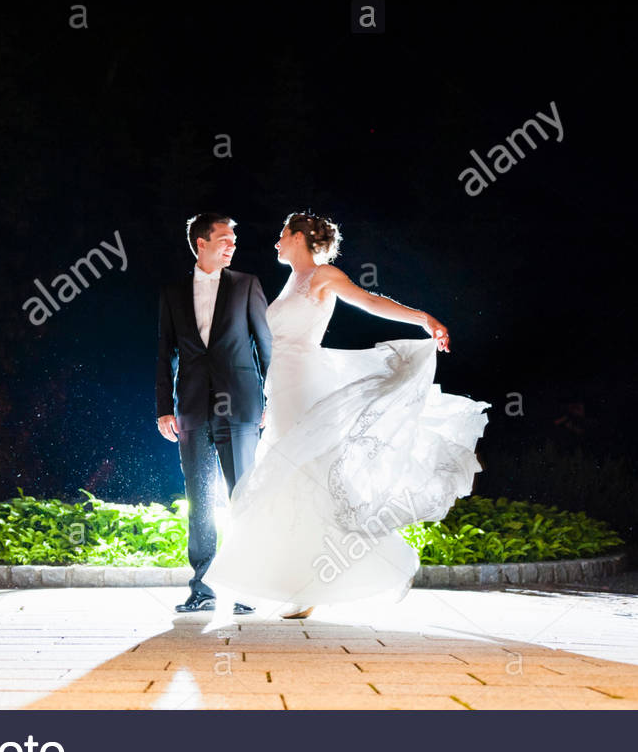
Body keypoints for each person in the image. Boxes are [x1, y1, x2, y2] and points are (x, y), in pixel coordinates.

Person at [205, 212, 490, 618]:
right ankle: (300, 580)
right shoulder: (290, 281)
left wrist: (423, 319)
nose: (276, 243)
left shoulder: (324, 276)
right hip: (283, 389)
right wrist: (269, 398)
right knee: (289, 479)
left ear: (300, 237)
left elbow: (370, 302)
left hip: (305, 385)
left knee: (308, 474)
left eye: (282, 235)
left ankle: (320, 583)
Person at [156, 213, 273, 614]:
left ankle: (246, 588)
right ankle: (201, 588)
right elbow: (165, 353)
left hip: (240, 406)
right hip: (190, 409)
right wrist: (162, 409)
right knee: (199, 499)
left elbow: (265, 346)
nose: (232, 245)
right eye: (224, 238)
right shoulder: (172, 291)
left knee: (243, 496)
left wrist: (270, 400)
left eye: (233, 239)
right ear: (201, 243)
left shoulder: (247, 285)